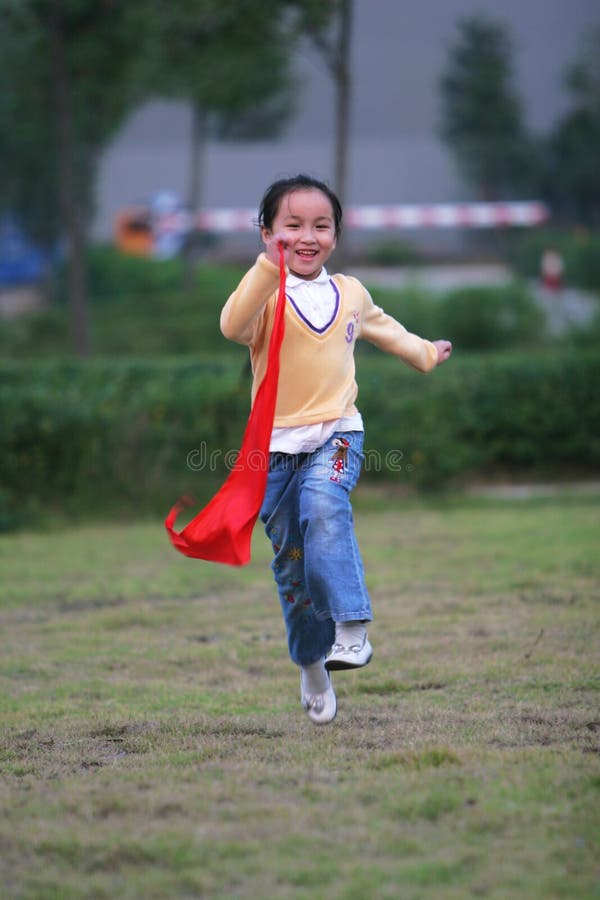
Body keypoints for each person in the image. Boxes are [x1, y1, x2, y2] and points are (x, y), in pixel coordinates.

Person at [220, 174, 452, 725]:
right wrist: (266, 269)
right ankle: (311, 665)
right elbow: (231, 325)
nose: (307, 235)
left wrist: (425, 354)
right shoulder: (267, 299)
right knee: (293, 572)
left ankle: (352, 629)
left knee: (325, 504)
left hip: (339, 433)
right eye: (292, 225)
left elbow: (384, 328)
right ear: (267, 233)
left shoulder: (349, 292)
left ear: (335, 235)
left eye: (320, 225)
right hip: (274, 454)